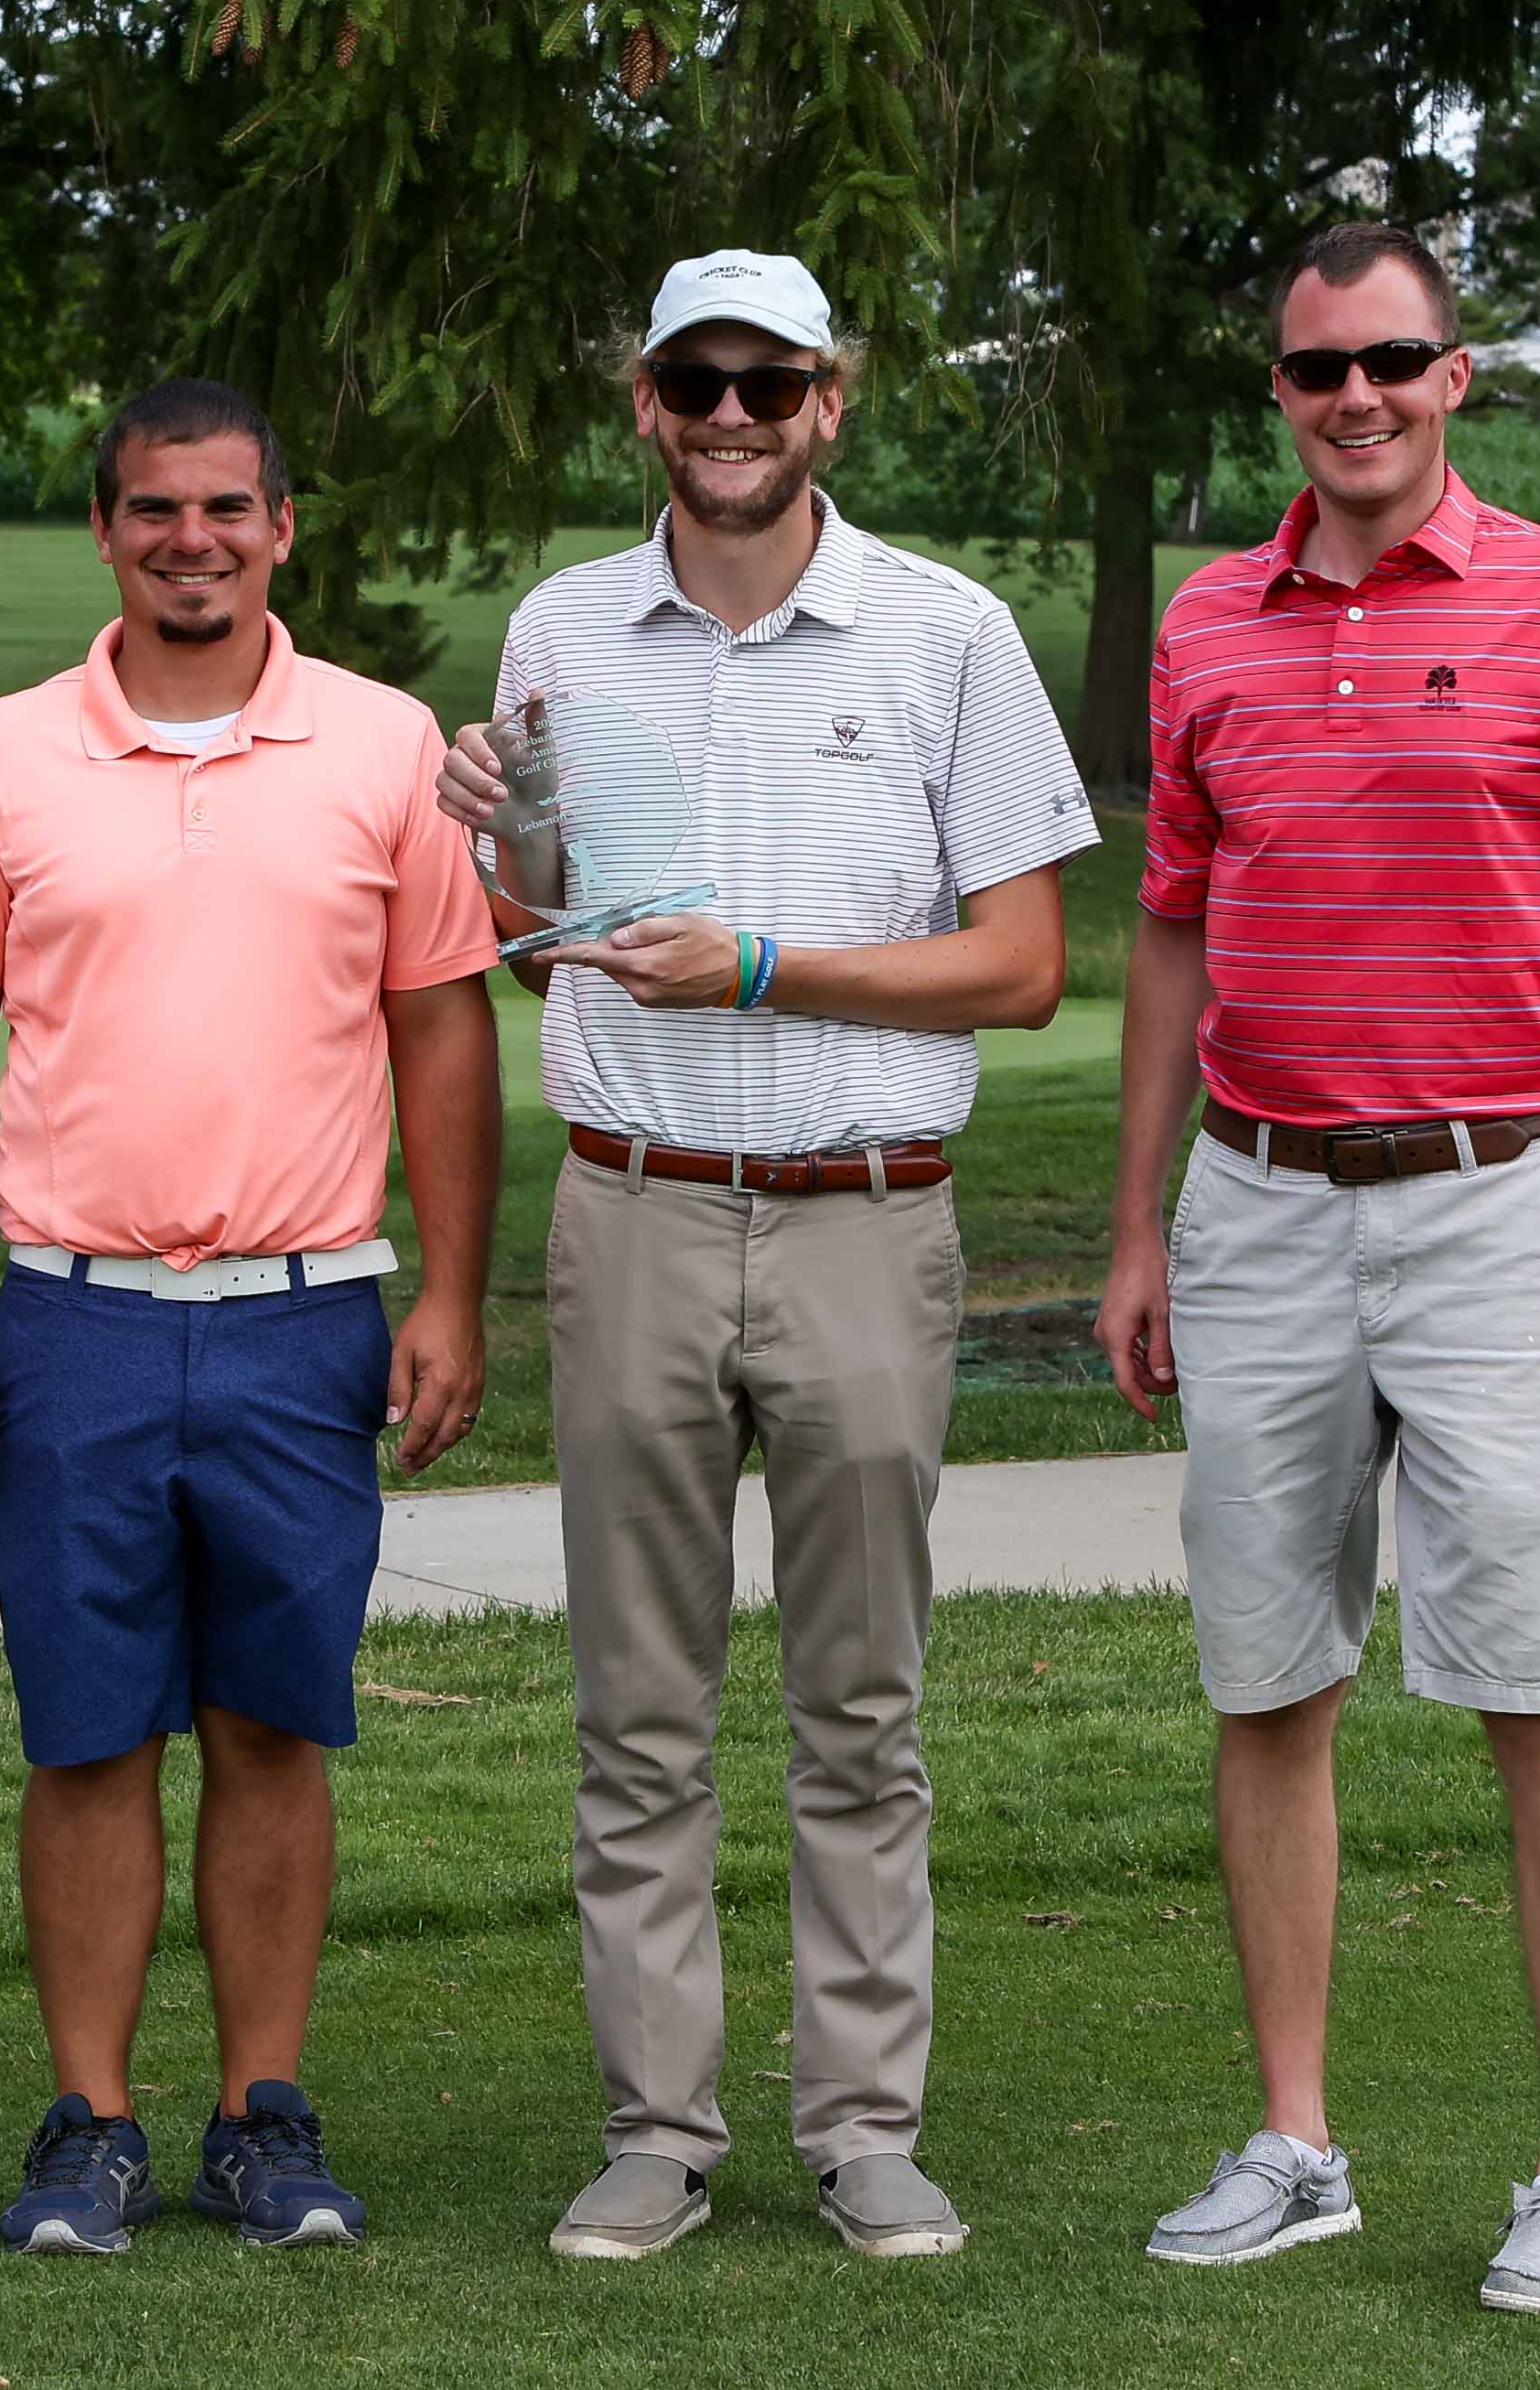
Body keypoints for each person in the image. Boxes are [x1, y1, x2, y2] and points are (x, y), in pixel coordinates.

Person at [1093, 222, 1540, 2317]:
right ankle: (1295, 2139)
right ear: (1273, 392)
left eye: (1389, 359)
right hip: (1259, 1203)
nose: (1350, 395)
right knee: (1268, 1680)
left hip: (1509, 1205)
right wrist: (1135, 1223)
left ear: (1455, 375)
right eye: (1310, 369)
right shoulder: (1206, 622)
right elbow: (1174, 933)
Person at [436, 249, 1097, 2261]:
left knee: (858, 1707)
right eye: (693, 381)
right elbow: (537, 930)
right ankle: (657, 2128)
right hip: (628, 1201)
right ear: (642, 397)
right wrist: (512, 830)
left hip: (862, 1214)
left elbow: (1026, 967)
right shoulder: (564, 620)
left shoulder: (944, 631)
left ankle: (864, 2126)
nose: (730, 415)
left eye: (768, 381)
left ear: (834, 395)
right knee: (635, 1707)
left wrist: (764, 966)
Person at [0, 379, 503, 2255]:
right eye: (155, 510)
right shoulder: (1, 755)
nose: (192, 540)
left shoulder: (384, 748)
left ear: (281, 525)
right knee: (82, 1733)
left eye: (226, 507)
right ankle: (91, 2118)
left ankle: (262, 2108)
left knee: (267, 1722)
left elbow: (443, 1026)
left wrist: (454, 1288)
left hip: (305, 1312)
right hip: (73, 1311)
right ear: (105, 529)